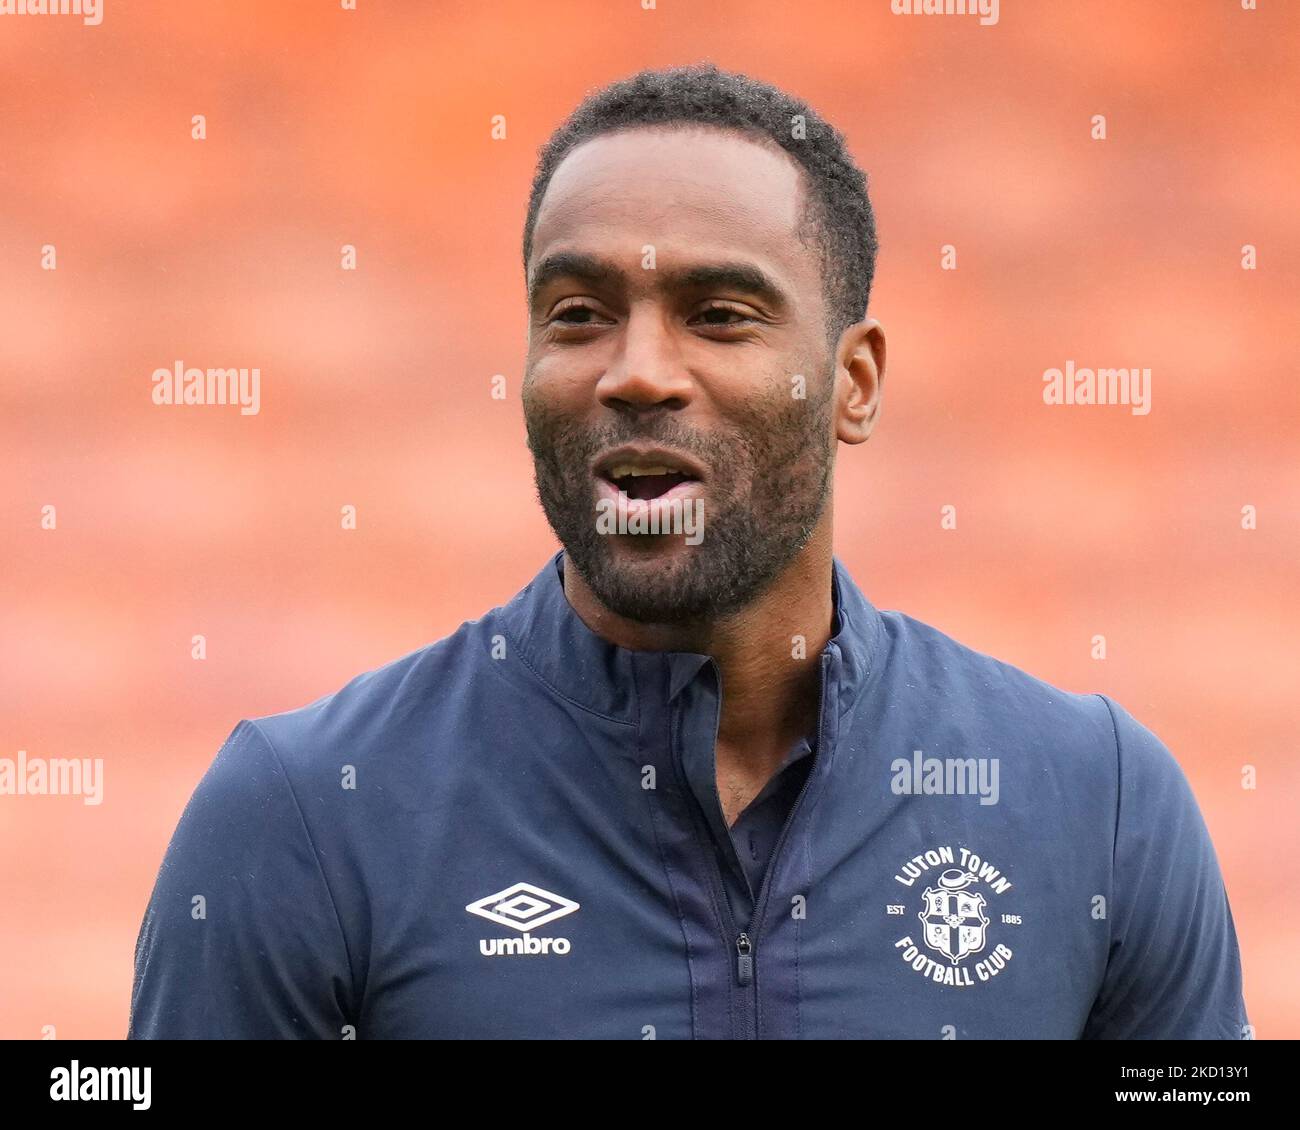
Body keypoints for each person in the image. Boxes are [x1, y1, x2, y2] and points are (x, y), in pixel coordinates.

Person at [129, 62, 1248, 1039]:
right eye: (576, 312)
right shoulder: (307, 812)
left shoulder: (1093, 800)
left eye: (719, 313)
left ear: (850, 385)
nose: (635, 370)